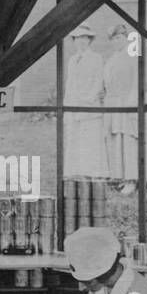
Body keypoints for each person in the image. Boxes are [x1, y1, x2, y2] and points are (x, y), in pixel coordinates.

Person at [102, 23, 147, 194]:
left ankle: (133, 179)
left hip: (130, 104)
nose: (116, 42)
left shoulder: (133, 56)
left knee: (130, 141)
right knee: (117, 140)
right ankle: (120, 176)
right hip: (114, 104)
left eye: (119, 38)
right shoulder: (112, 59)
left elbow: (137, 83)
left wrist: (132, 104)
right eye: (113, 39)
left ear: (125, 38)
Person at [63, 23, 108, 179]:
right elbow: (69, 84)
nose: (81, 41)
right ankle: (76, 172)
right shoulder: (72, 60)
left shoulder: (96, 58)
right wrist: (68, 104)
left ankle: (93, 173)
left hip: (90, 105)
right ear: (74, 40)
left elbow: (98, 82)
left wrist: (87, 99)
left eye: (85, 38)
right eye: (78, 38)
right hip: (73, 106)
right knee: (74, 139)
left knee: (91, 140)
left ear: (89, 40)